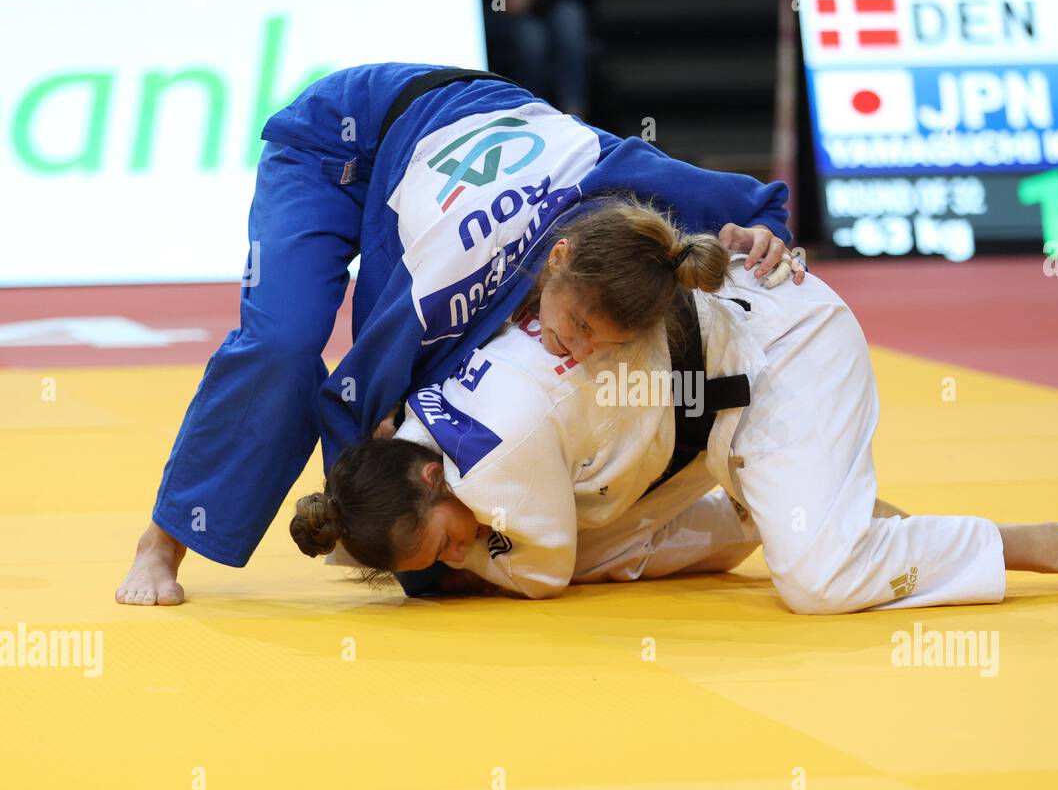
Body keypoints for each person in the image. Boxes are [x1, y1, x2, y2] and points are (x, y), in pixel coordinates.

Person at [115, 63, 798, 606]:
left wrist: (768, 235)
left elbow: (758, 205)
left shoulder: (603, 167)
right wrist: (386, 533)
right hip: (335, 141)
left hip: (472, 125)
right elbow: (357, 394)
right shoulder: (438, 276)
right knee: (285, 344)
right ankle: (164, 539)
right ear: (553, 265)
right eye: (577, 328)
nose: (579, 348)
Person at [290, 223, 1058, 614]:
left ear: (429, 470)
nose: (452, 557)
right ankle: (821, 511)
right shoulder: (421, 424)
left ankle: (1042, 543)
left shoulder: (498, 450)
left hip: (786, 359)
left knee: (815, 583)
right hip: (700, 424)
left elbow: (551, 568)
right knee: (629, 538)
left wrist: (752, 223)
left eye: (441, 542)